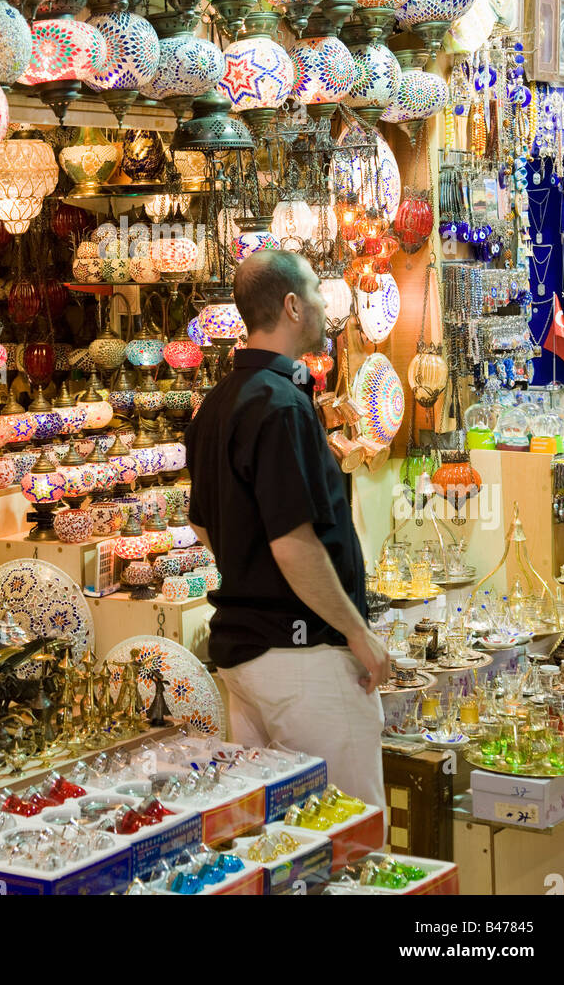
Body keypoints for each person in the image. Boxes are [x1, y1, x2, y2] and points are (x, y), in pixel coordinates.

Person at [185, 249, 390, 809]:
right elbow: (294, 545)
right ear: (293, 305)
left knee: (278, 836)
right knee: (350, 832)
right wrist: (358, 632)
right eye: (320, 294)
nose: (329, 307)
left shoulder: (215, 405)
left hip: (245, 656)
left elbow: (204, 526)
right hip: (303, 660)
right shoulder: (282, 405)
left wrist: (251, 565)